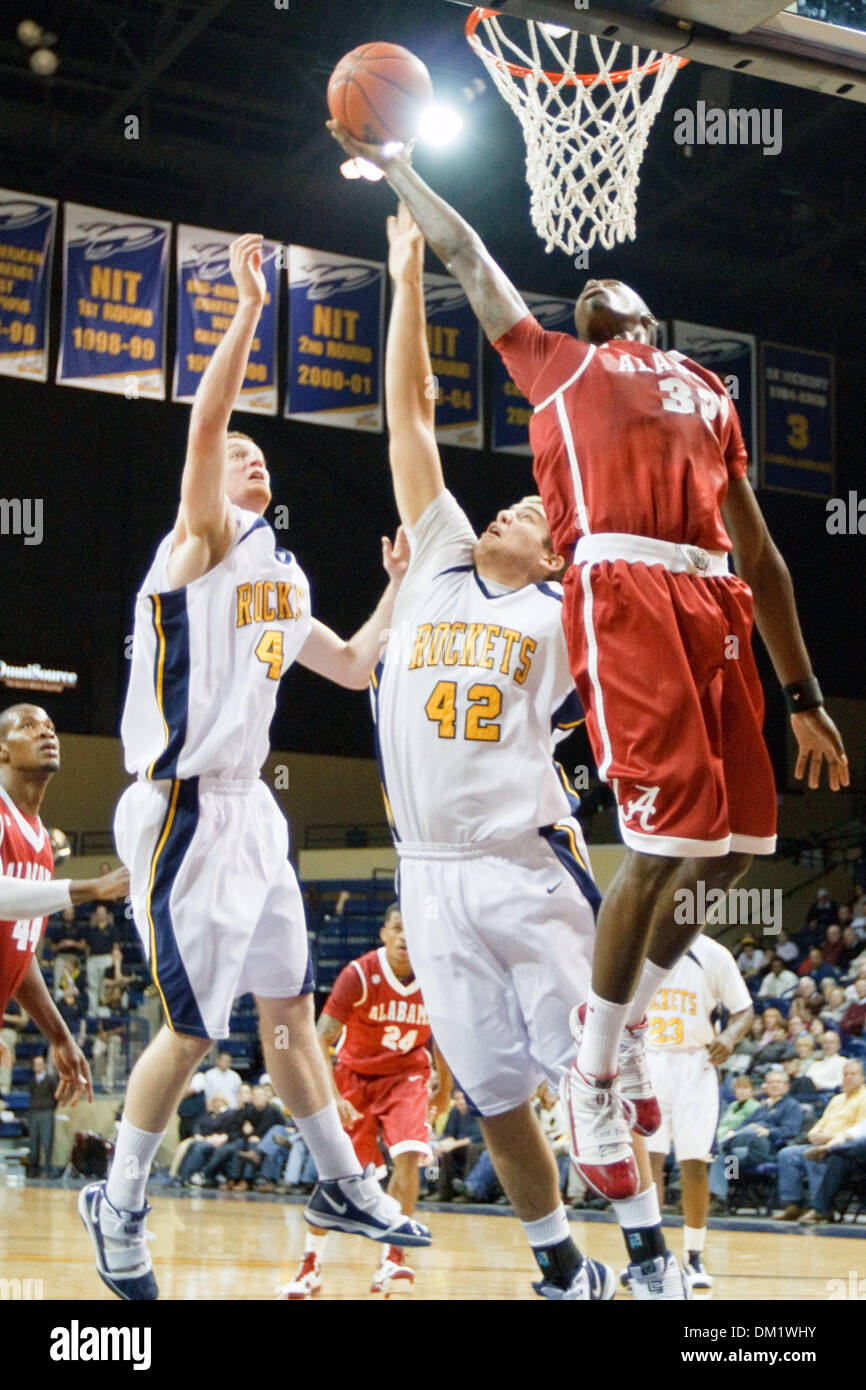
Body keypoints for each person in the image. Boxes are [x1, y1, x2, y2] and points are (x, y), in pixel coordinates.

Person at [327, 121, 850, 1212]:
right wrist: (406, 169)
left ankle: (600, 1052)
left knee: (735, 851)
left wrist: (800, 692)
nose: (588, 293)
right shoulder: (558, 369)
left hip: (712, 597)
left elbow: (757, 550)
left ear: (651, 319)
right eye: (577, 294)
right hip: (621, 589)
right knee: (659, 847)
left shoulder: (708, 389)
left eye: (608, 288)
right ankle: (600, 1070)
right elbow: (474, 262)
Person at [327, 201, 683, 1301]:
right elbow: (409, 418)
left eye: (532, 508)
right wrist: (399, 279)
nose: (510, 508)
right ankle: (557, 1266)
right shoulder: (433, 558)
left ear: (557, 545)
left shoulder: (569, 611)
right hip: (425, 875)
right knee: (488, 1090)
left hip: (526, 864)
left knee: (596, 1062)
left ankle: (653, 1257)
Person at [78, 235, 429, 1303]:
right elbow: (201, 428)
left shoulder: (278, 569)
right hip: (181, 804)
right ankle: (120, 1197)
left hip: (250, 816)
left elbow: (360, 666)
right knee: (192, 1028)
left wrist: (400, 588)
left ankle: (338, 1180)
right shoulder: (193, 546)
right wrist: (242, 309)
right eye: (239, 453)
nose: (250, 458)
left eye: (258, 455)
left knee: (287, 1007)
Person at [281, 904, 447, 1299]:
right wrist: (332, 1095)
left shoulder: (435, 977)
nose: (406, 936)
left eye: (412, 929)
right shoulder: (358, 974)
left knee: (408, 1154)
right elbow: (319, 1037)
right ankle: (310, 1266)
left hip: (407, 1077)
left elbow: (444, 1034)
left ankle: (393, 1258)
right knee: (341, 1176)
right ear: (384, 934)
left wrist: (447, 1086)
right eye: (397, 928)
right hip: (353, 1079)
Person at [0, 703, 128, 1104]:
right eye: (28, 726)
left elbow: (19, 954)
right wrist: (91, 889)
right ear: (2, 749)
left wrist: (60, 1036)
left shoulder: (40, 843)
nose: (46, 733)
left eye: (51, 727)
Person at [640, 935, 753, 1291]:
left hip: (697, 1062)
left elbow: (744, 1009)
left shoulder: (713, 954)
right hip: (650, 1061)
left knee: (694, 1161)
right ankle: (651, 1257)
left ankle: (693, 1255)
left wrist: (731, 1037)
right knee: (649, 1163)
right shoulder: (640, 945)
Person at [776, 1059, 866, 1220]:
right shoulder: (836, 1099)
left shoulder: (864, 1098)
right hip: (822, 1143)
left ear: (862, 1077)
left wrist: (830, 1140)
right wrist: (814, 1135)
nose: (849, 1077)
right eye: (846, 1074)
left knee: (816, 1156)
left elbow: (859, 1131)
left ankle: (820, 1208)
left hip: (842, 1146)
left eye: (853, 1074)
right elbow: (820, 1123)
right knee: (786, 1154)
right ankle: (793, 1205)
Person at [708, 1070, 803, 1205]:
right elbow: (744, 1124)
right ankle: (722, 1198)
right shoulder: (763, 1106)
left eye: (779, 1082)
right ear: (766, 1086)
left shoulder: (791, 1106)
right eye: (771, 1082)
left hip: (768, 1149)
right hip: (746, 1146)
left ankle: (725, 1193)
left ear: (787, 1086)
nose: (774, 1085)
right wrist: (733, 1132)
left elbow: (791, 1131)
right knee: (724, 1156)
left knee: (730, 1150)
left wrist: (769, 1131)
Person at [27, 1053, 57, 1176]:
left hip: (46, 1112)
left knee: (47, 1142)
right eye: (36, 1064)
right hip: (34, 1113)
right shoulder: (32, 1081)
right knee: (34, 1142)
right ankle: (34, 1169)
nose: (38, 1067)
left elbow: (56, 1097)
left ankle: (47, 1169)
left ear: (44, 1065)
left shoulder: (50, 1080)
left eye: (40, 1064)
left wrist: (50, 1108)